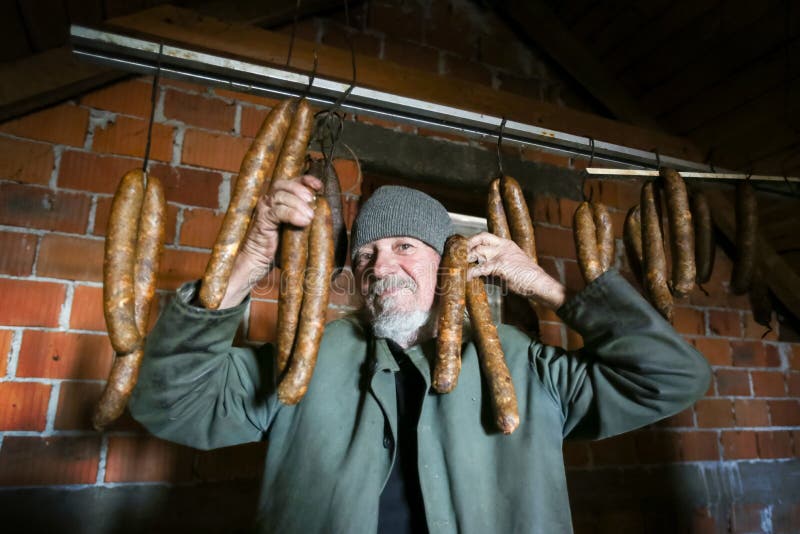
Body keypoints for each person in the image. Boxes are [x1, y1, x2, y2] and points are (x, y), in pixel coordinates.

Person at [129, 177, 711, 534]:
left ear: (445, 262)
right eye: (366, 256)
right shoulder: (307, 357)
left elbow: (671, 378)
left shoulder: (520, 363)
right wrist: (251, 261)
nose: (382, 267)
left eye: (405, 247)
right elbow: (172, 405)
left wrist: (546, 288)